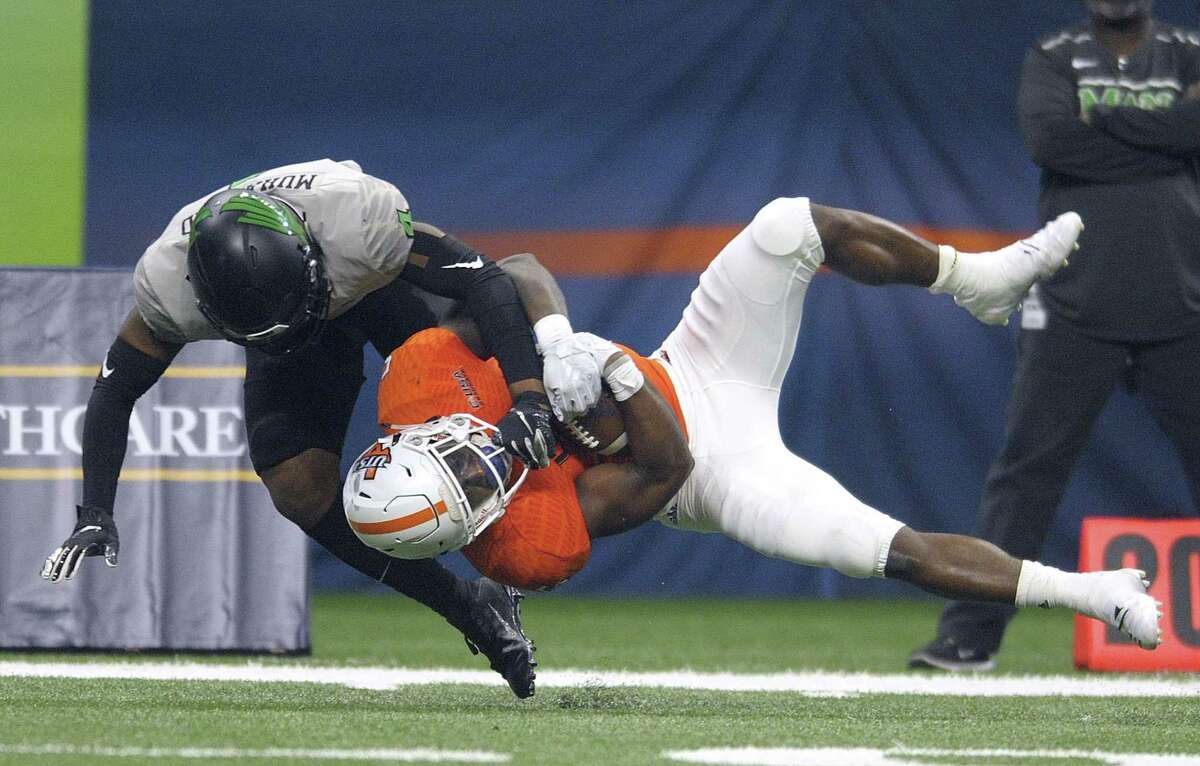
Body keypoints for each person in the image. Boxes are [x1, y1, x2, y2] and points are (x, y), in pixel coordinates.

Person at [346, 195, 1163, 653]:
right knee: (880, 549)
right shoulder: (524, 544)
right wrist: (619, 374)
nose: (484, 466)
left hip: (696, 360)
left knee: (786, 226)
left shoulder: (421, 379)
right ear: (471, 529)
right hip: (709, 468)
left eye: (462, 461)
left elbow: (513, 274)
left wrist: (554, 343)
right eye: (477, 491)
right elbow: (664, 468)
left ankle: (974, 278)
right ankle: (1089, 592)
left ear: (414, 437)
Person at [39, 158, 605, 698]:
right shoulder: (170, 285)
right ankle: (470, 609)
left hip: (367, 290)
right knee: (297, 487)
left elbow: (486, 281)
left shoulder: (359, 222)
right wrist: (96, 511)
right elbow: (115, 390)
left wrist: (527, 397)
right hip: (287, 320)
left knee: (455, 370)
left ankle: (575, 435)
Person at [910, 0, 1200, 671]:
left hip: (1183, 302)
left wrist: (1101, 120)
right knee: (1025, 478)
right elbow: (1051, 141)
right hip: (1072, 303)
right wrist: (1166, 140)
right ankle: (969, 639)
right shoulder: (1053, 56)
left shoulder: (1188, 50)